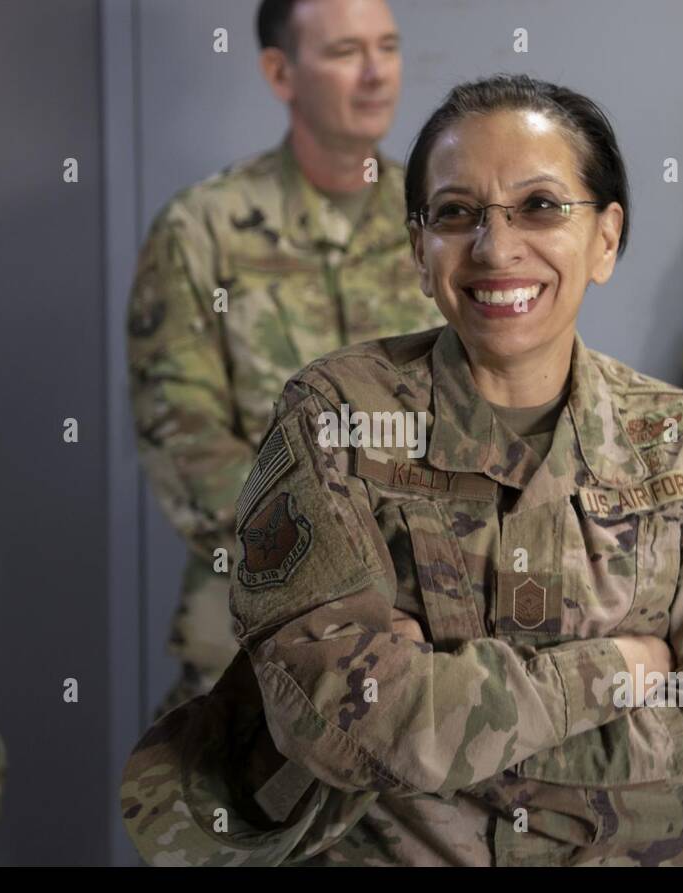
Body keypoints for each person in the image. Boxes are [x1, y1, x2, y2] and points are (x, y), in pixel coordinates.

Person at [120, 73, 683, 866]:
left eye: (540, 207)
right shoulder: (335, 418)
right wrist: (617, 669)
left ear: (606, 239)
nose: (495, 246)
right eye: (456, 213)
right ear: (419, 247)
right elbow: (344, 725)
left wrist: (438, 728)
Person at [127, 0, 441, 719]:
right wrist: (333, 583)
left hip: (428, 635)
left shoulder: (440, 219)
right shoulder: (203, 230)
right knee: (243, 824)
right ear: (280, 71)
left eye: (386, 47)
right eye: (343, 53)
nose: (375, 75)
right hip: (256, 639)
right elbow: (184, 443)